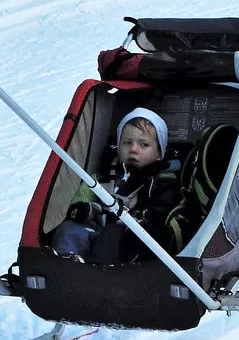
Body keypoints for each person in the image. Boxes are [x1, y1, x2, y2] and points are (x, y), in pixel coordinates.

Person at [52, 107, 183, 264]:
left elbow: (162, 212)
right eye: (127, 142)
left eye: (144, 145)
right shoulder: (104, 173)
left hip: (132, 239)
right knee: (68, 229)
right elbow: (83, 195)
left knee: (112, 234)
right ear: (118, 146)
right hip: (95, 227)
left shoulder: (162, 181)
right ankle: (64, 265)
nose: (133, 149)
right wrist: (81, 209)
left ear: (159, 154)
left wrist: (144, 220)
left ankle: (97, 275)